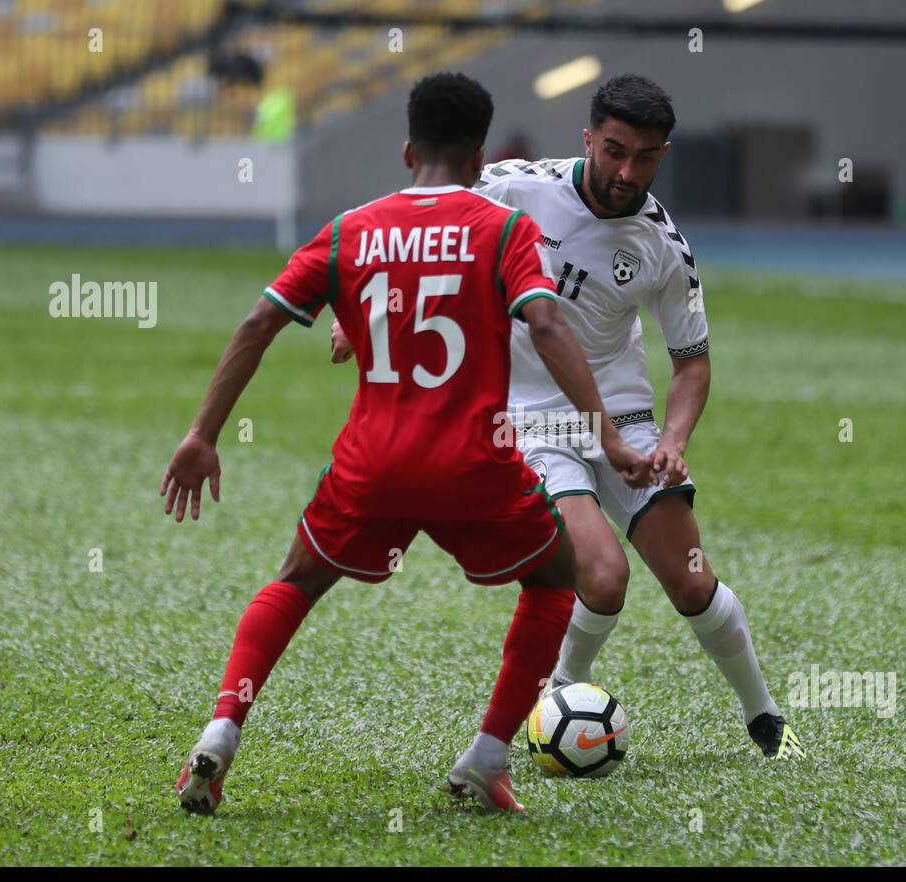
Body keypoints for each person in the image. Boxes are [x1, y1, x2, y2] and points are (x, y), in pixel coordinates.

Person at [162, 71, 651, 814]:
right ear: (480, 155)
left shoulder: (349, 229)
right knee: (557, 581)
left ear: (406, 150)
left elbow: (259, 322)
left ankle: (222, 731)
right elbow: (548, 325)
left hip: (373, 463)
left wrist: (203, 435)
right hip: (472, 464)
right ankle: (487, 758)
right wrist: (606, 435)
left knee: (295, 581)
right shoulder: (504, 229)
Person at [334, 75, 805, 759]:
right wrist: (360, 305)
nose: (625, 171)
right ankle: (561, 695)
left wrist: (673, 441)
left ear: (663, 154)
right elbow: (411, 218)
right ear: (588, 139)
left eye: (644, 157)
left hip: (627, 417)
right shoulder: (517, 185)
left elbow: (693, 363)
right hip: (533, 419)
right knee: (604, 576)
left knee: (692, 579)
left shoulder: (661, 245)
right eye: (614, 150)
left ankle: (765, 718)